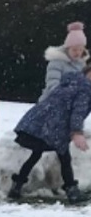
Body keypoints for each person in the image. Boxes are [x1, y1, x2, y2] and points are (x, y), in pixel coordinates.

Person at [8, 64, 91, 203]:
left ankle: (17, 186)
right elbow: (78, 112)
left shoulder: (70, 82)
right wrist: (77, 131)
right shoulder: (85, 89)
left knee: (36, 154)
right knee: (64, 158)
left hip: (41, 121)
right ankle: (72, 191)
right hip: (56, 126)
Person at [40, 21, 87, 100]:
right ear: (67, 48)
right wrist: (65, 95)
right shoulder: (56, 62)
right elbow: (52, 83)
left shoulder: (82, 64)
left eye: (80, 50)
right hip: (52, 102)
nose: (78, 53)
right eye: (74, 50)